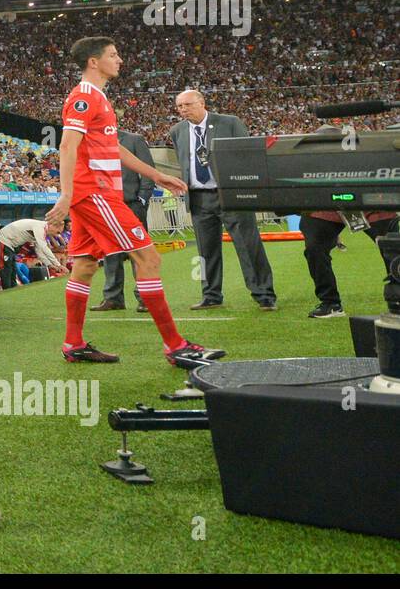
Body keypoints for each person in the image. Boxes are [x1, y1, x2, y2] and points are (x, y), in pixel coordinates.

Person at [47, 39, 224, 366]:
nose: (120, 59)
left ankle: (73, 343)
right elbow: (67, 146)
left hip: (94, 192)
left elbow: (114, 148)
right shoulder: (84, 96)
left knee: (85, 265)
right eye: (113, 55)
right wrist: (66, 194)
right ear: (93, 62)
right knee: (147, 257)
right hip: (95, 192)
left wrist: (156, 176)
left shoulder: (98, 97)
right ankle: (175, 346)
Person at [170, 89, 277, 310]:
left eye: (187, 105)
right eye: (179, 106)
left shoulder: (229, 123)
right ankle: (211, 295)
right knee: (205, 250)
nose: (183, 110)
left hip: (230, 194)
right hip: (199, 197)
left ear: (201, 102)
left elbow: (247, 156)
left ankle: (264, 294)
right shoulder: (177, 131)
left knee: (248, 245)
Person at [92, 127, 155, 312]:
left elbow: (148, 169)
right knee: (110, 253)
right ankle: (113, 298)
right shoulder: (92, 142)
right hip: (106, 205)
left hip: (131, 203)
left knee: (139, 252)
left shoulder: (134, 140)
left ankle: (145, 298)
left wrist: (142, 199)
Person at [302, 207, 399, 317]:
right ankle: (330, 304)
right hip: (326, 205)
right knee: (314, 247)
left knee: (393, 250)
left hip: (371, 203)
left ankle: (398, 301)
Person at [0, 218, 66, 276]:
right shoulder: (40, 227)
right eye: (58, 232)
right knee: (7, 269)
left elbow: (39, 250)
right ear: (52, 226)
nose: (57, 235)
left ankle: (12, 290)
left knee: (13, 270)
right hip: (3, 240)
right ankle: (7, 290)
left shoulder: (42, 231)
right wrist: (58, 265)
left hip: (10, 244)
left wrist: (49, 264)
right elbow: (43, 247)